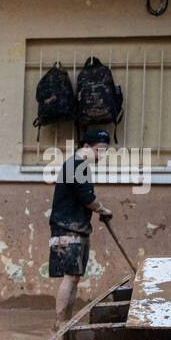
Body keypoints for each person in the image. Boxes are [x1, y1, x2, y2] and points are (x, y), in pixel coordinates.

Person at [50, 129, 113, 328]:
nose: (100, 155)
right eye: (98, 150)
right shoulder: (77, 166)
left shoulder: (76, 165)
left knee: (74, 277)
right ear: (85, 147)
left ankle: (65, 321)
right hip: (68, 228)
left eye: (104, 151)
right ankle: (61, 323)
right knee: (70, 276)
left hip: (74, 227)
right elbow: (88, 199)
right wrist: (103, 209)